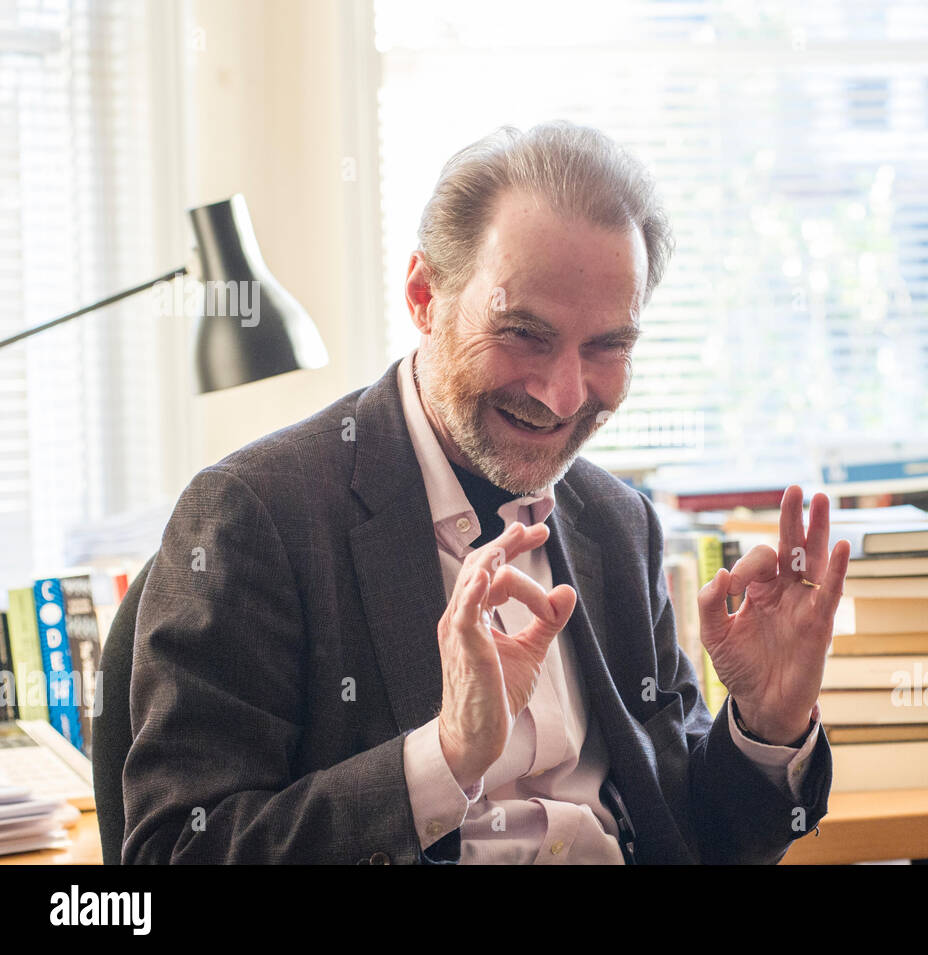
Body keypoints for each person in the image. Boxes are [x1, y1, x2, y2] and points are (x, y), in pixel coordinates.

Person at [122, 122, 849, 865]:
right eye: (524, 334)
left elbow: (699, 839)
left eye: (608, 346)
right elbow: (175, 853)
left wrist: (765, 724)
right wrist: (445, 757)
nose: (565, 394)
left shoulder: (617, 521)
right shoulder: (255, 517)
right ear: (423, 297)